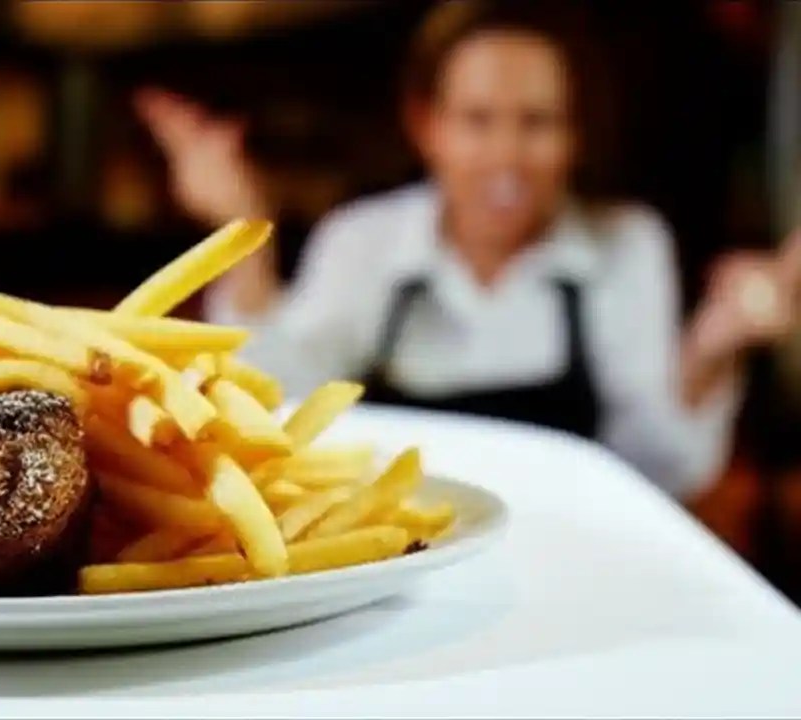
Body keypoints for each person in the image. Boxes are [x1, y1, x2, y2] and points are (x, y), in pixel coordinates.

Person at [136, 0, 801, 499]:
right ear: (427, 125)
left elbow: (661, 471)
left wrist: (713, 346)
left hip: (576, 554)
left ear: (576, 133)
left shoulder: (627, 244)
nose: (506, 157)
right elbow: (275, 417)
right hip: (397, 553)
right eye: (478, 121)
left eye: (537, 122)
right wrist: (244, 236)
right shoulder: (365, 240)